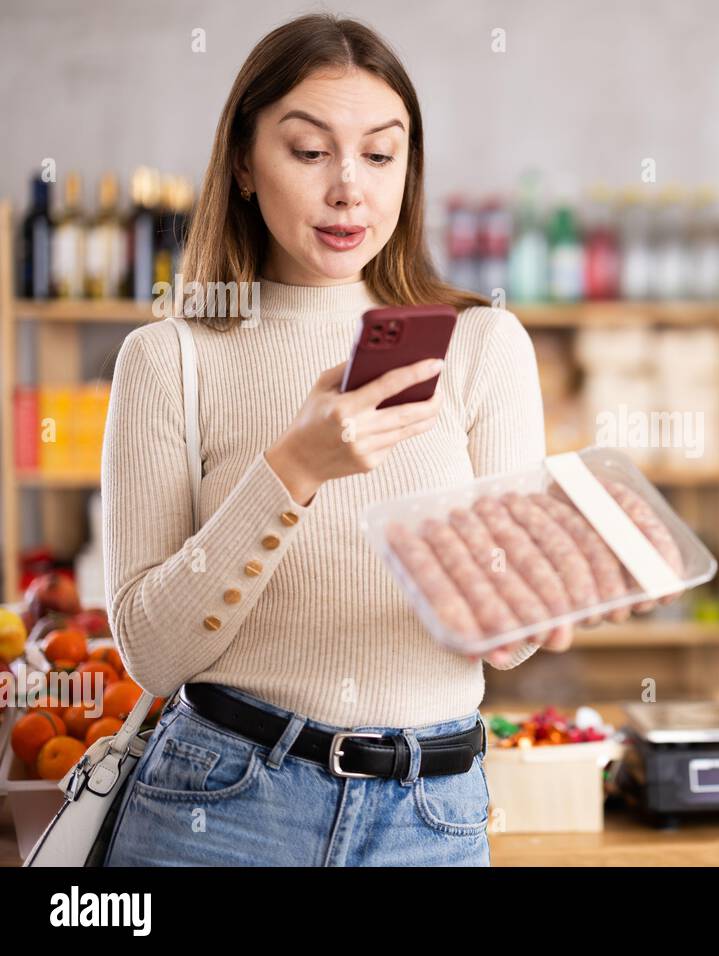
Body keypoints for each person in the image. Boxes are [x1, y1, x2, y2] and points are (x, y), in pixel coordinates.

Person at [101, 14, 584, 866]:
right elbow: (153, 653)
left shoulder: (482, 345)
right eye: (310, 151)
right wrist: (292, 471)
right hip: (223, 804)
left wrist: (565, 593)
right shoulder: (167, 357)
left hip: (429, 814)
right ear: (246, 164)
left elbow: (503, 632)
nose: (349, 190)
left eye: (379, 153)